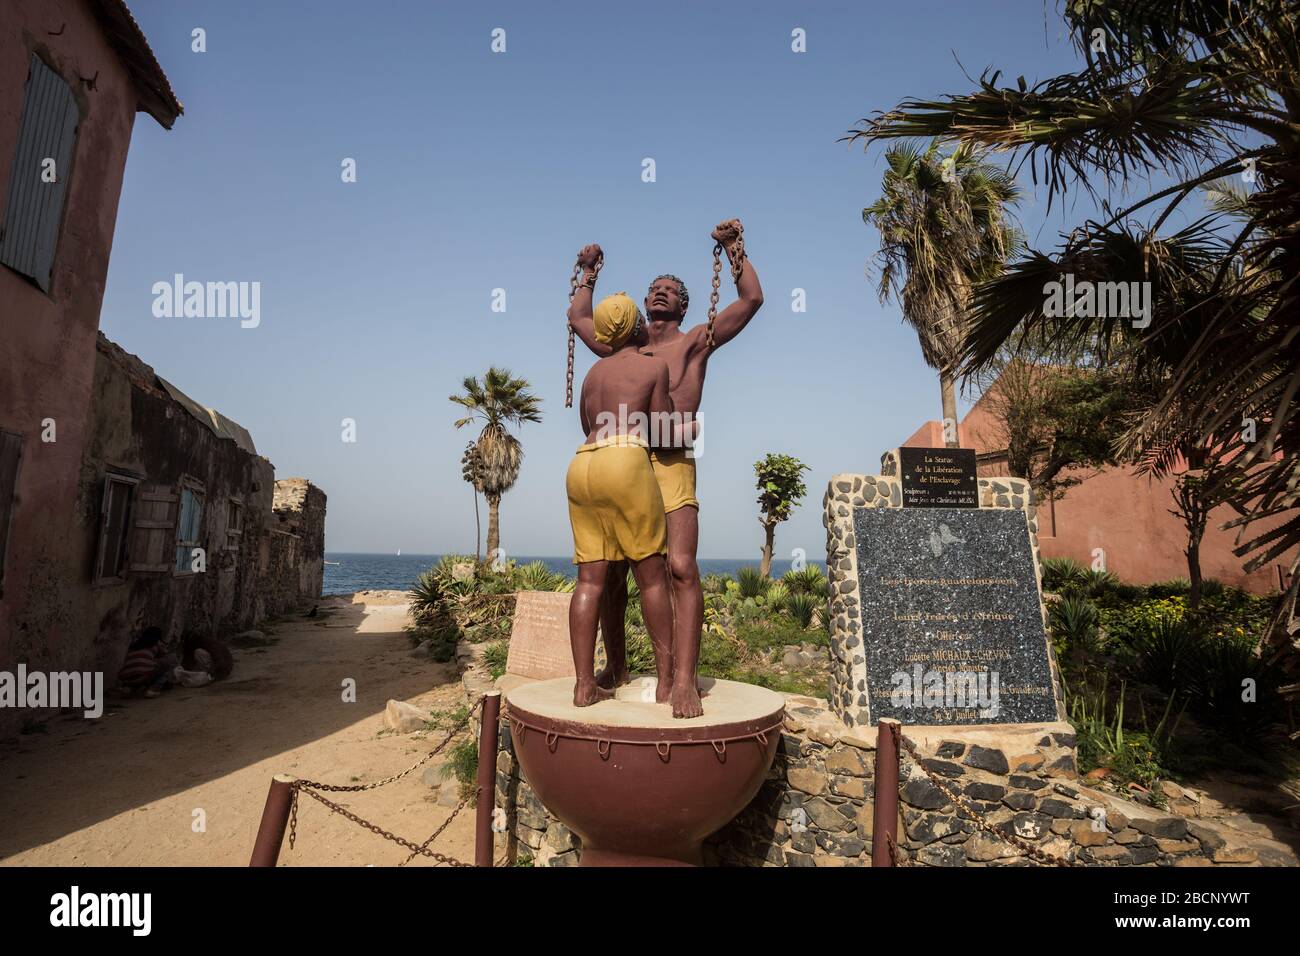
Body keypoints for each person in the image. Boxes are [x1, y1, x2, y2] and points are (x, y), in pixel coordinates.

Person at [566, 220, 763, 717]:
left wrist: (734, 251)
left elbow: (751, 301)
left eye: (670, 290)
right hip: (626, 462)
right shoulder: (622, 349)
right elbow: (580, 321)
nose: (660, 292)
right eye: (654, 288)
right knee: (608, 573)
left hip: (671, 464)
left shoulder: (696, 340)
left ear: (683, 307)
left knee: (679, 567)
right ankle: (614, 668)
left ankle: (682, 681)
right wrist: (588, 273)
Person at [565, 293, 678, 708]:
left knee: (590, 581)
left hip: (583, 465)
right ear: (636, 327)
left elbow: (586, 423)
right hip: (625, 460)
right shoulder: (654, 366)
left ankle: (583, 686)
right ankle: (667, 683)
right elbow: (662, 426)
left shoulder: (593, 374)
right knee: (652, 575)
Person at [117, 626, 180, 698]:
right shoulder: (156, 643)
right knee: (171, 659)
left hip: (125, 678)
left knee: (142, 668)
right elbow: (165, 655)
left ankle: (129, 688)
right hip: (143, 676)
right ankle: (154, 689)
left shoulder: (135, 644)